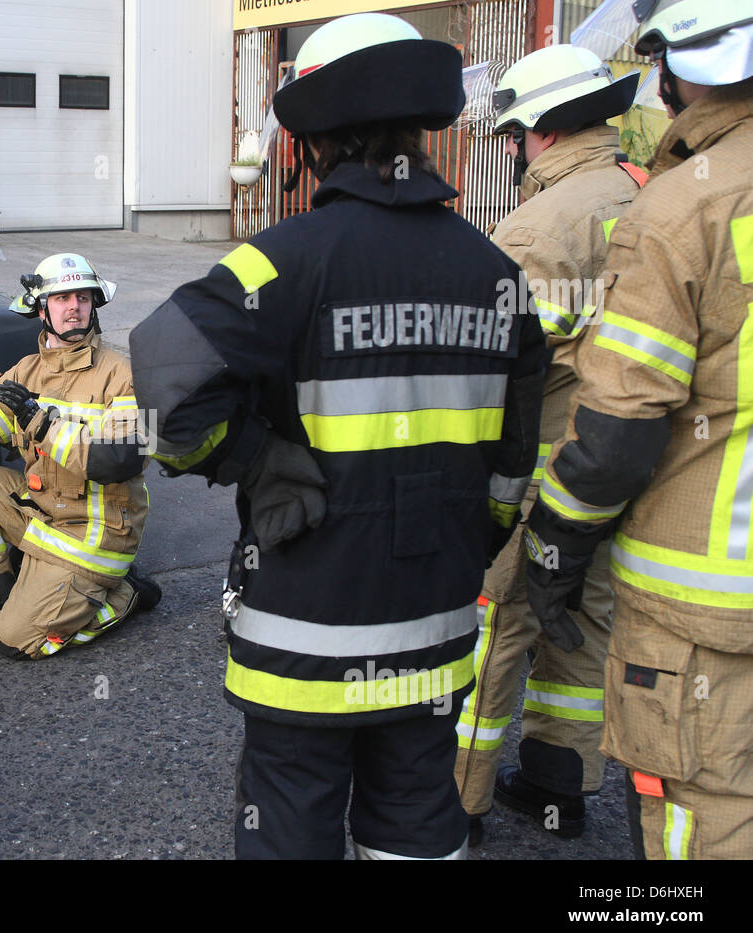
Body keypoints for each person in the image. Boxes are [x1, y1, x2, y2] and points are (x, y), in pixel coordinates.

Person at [130, 13, 546, 859]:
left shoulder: (279, 262)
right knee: (417, 820)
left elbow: (165, 388)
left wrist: (254, 459)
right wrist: (469, 540)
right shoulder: (498, 276)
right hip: (433, 627)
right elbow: (513, 467)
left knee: (289, 820)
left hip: (305, 635)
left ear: (313, 139)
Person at [524, 0, 753, 859]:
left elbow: (621, 426)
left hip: (712, 605)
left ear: (676, 65)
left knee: (709, 814)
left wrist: (556, 542)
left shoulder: (684, 209)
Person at [454, 45, 645, 845]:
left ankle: (452, 805)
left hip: (542, 466)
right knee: (586, 613)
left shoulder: (535, 229)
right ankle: (557, 783)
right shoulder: (649, 194)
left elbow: (495, 372)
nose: (507, 147)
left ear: (542, 129)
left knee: (499, 625)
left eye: (513, 131)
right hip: (624, 463)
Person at [0, 253, 160, 659]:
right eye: (61, 298)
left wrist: (39, 422)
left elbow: (118, 461)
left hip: (93, 534)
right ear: (40, 309)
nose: (74, 307)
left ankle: (122, 595)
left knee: (17, 643)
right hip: (41, 513)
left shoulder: (124, 375)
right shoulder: (26, 371)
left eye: (83, 298)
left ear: (94, 306)